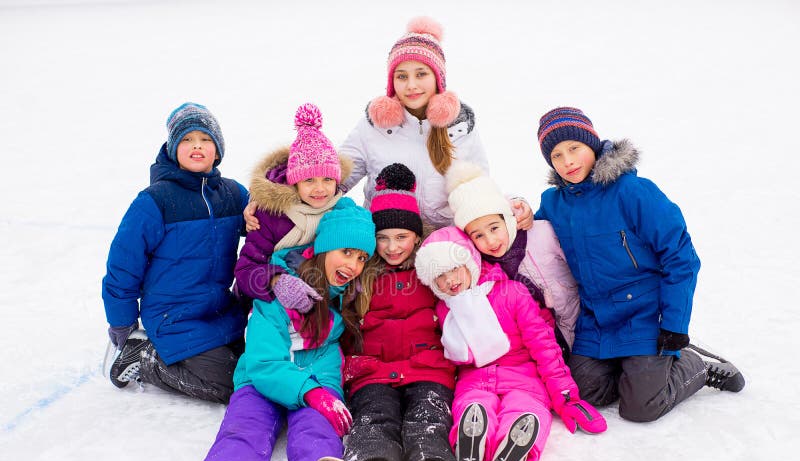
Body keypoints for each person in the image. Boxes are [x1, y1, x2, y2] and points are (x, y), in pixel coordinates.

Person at [127, 198, 379, 461]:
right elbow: (262, 364)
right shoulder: (277, 296)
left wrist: (325, 392)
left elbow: (328, 361)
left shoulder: (339, 305)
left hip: (314, 384)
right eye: (346, 252)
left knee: (317, 432)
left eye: (362, 257)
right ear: (323, 249)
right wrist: (311, 391)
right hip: (260, 385)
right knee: (244, 431)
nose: (354, 264)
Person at [534, 106, 745, 423]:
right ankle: (638, 368)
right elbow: (532, 242)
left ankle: (693, 363)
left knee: (641, 406)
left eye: (574, 148)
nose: (568, 162)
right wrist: (516, 214)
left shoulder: (633, 192)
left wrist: (674, 324)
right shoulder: (553, 203)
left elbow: (680, 256)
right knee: (579, 392)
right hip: (596, 319)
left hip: (646, 314)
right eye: (557, 156)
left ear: (592, 143)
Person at [315, 164, 499, 461]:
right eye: (383, 238)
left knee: (427, 416)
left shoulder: (432, 269)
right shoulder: (359, 275)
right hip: (372, 371)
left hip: (428, 369)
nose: (392, 246)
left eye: (401, 236)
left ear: (417, 237)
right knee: (373, 418)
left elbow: (476, 252)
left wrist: (517, 209)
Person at [242, 17, 532, 233]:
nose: (412, 85)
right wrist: (273, 200)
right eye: (402, 76)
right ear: (391, 81)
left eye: (421, 74)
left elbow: (480, 187)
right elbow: (332, 175)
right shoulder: (374, 126)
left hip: (443, 241)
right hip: (386, 237)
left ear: (438, 79)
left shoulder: (460, 128)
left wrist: (514, 203)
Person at [415, 227, 607, 461]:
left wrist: (566, 397)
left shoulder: (512, 293)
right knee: (471, 402)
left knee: (527, 405)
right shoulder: (446, 310)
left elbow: (544, 346)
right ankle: (473, 434)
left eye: (454, 269)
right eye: (440, 276)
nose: (450, 280)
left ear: (471, 261)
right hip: (476, 381)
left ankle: (517, 436)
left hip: (524, 377)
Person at [101, 102, 248, 403]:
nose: (197, 146)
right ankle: (143, 357)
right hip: (174, 318)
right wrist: (122, 324)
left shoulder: (233, 194)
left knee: (258, 373)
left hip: (222, 312)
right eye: (186, 140)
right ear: (172, 149)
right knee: (232, 386)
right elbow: (123, 266)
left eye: (206, 139)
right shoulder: (155, 201)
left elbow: (271, 223)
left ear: (218, 150)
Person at [443, 160, 579, 354]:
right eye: (478, 235)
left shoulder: (542, 233)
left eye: (494, 228)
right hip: (548, 345)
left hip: (584, 324)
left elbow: (581, 266)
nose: (490, 241)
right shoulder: (485, 268)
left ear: (506, 218)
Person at [235, 102, 350, 312]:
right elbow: (245, 270)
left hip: (321, 305)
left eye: (327, 179)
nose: (319, 189)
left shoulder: (341, 211)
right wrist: (276, 281)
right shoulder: (271, 216)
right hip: (270, 304)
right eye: (308, 181)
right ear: (294, 183)